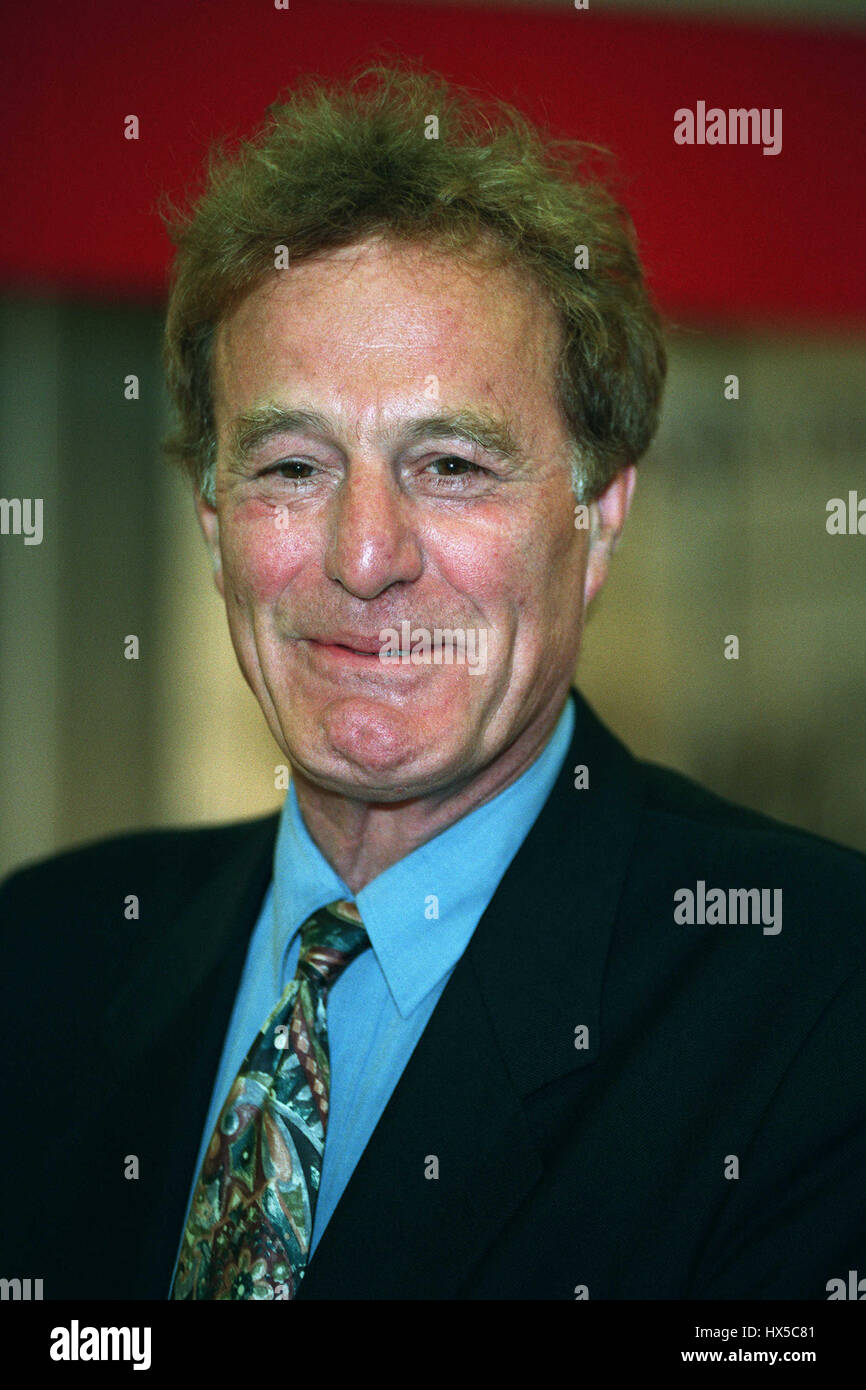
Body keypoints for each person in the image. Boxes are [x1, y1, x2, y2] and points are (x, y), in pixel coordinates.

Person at [2, 65, 864, 1302]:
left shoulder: (816, 1004)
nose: (364, 557)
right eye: (291, 466)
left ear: (600, 516)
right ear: (212, 522)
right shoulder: (42, 955)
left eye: (452, 464)